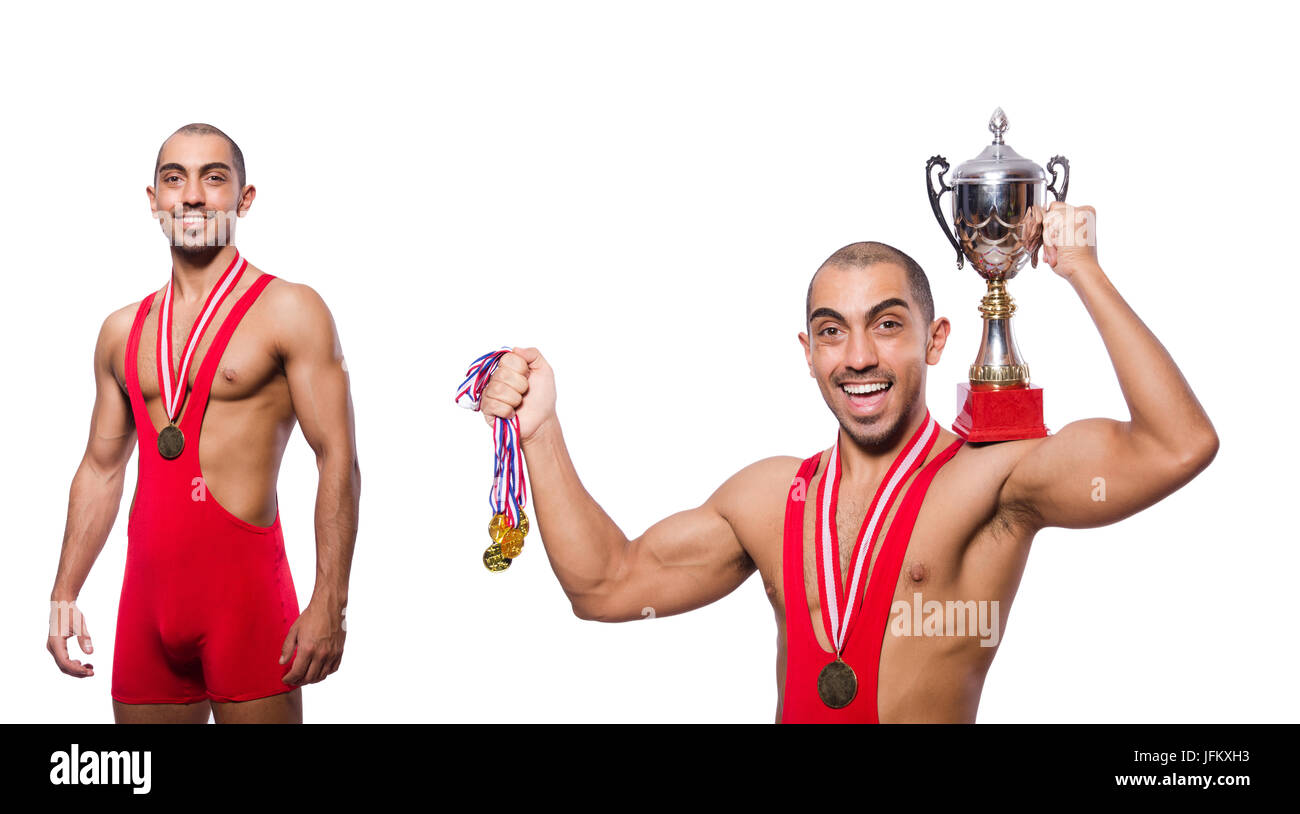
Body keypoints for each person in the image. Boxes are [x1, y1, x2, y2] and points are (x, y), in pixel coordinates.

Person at [476, 202, 1218, 722]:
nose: (858, 356)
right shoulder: (768, 498)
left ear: (935, 341)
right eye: (832, 332)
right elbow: (606, 586)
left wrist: (1082, 270)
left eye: (887, 325)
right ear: (807, 353)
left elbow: (1176, 444)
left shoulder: (994, 480)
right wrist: (540, 431)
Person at [47, 123, 361, 724]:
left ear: (244, 199)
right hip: (147, 608)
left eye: (213, 178)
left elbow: (338, 459)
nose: (192, 195)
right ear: (153, 200)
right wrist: (64, 593)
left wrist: (331, 601)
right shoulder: (121, 331)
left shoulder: (290, 310)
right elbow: (101, 467)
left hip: (245, 602)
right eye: (175, 179)